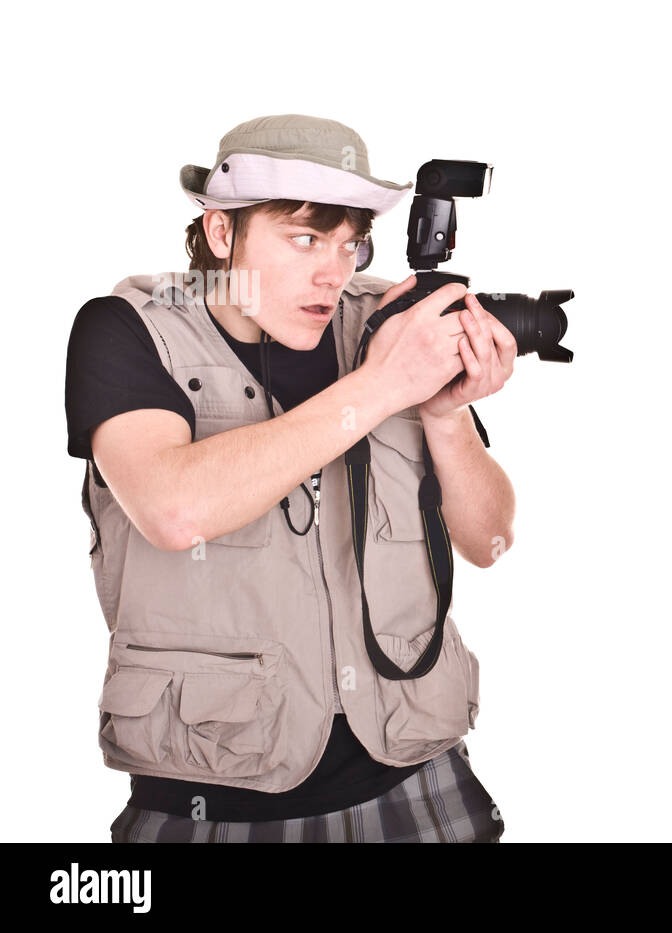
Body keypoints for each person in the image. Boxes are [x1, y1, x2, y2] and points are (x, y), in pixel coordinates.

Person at [65, 114, 518, 842]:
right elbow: (172, 509)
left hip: (419, 775)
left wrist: (441, 414)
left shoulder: (386, 324)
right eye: (305, 239)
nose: (333, 272)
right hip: (215, 804)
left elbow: (491, 538)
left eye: (350, 243)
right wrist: (381, 387)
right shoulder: (125, 329)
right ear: (221, 234)